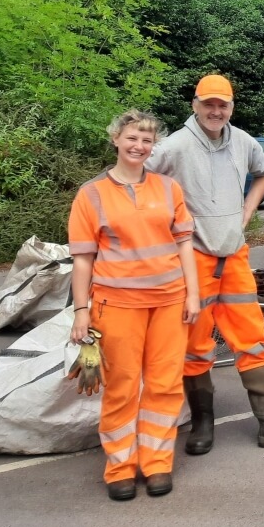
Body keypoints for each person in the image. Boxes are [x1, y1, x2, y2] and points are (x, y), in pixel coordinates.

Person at [147, 74, 264, 453]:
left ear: (231, 107)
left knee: (251, 337)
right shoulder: (173, 147)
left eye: (222, 104)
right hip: (194, 261)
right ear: (194, 105)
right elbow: (137, 180)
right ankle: (202, 425)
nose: (215, 111)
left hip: (234, 256)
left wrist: (247, 210)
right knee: (195, 346)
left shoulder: (243, 141)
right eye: (208, 104)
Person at [68, 110, 201, 500]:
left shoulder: (168, 188)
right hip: (117, 305)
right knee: (121, 387)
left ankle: (157, 464)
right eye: (131, 138)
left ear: (153, 145)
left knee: (165, 384)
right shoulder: (91, 194)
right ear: (115, 139)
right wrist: (81, 311)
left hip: (169, 302)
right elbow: (83, 260)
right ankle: (120, 469)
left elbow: (184, 244)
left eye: (146, 140)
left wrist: (193, 294)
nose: (139, 146)